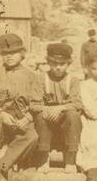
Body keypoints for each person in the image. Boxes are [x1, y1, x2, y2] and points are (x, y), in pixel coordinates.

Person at [0, 33, 41, 179]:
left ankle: (0, 166)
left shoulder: (31, 76)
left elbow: (37, 103)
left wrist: (27, 118)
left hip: (20, 120)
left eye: (13, 53)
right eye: (5, 53)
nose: (8, 57)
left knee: (32, 136)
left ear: (22, 53)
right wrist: (1, 113)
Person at [34, 42, 82, 173]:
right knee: (39, 116)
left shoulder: (73, 80)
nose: (58, 68)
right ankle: (43, 157)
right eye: (54, 64)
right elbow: (33, 103)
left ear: (68, 64)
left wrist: (61, 108)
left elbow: (77, 103)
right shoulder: (41, 78)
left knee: (74, 115)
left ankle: (70, 159)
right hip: (47, 117)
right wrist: (46, 109)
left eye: (62, 64)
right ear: (48, 63)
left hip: (64, 119)